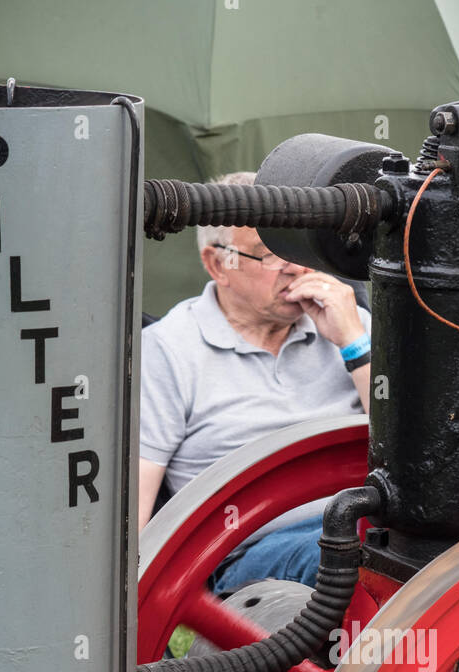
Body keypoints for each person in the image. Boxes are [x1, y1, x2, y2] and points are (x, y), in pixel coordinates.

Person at [138, 171, 371, 588]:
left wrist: (355, 343)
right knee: (367, 560)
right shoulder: (167, 351)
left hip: (369, 518)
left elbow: (413, 449)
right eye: (270, 253)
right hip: (254, 552)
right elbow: (135, 511)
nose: (296, 267)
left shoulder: (350, 325)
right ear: (217, 264)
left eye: (298, 248)